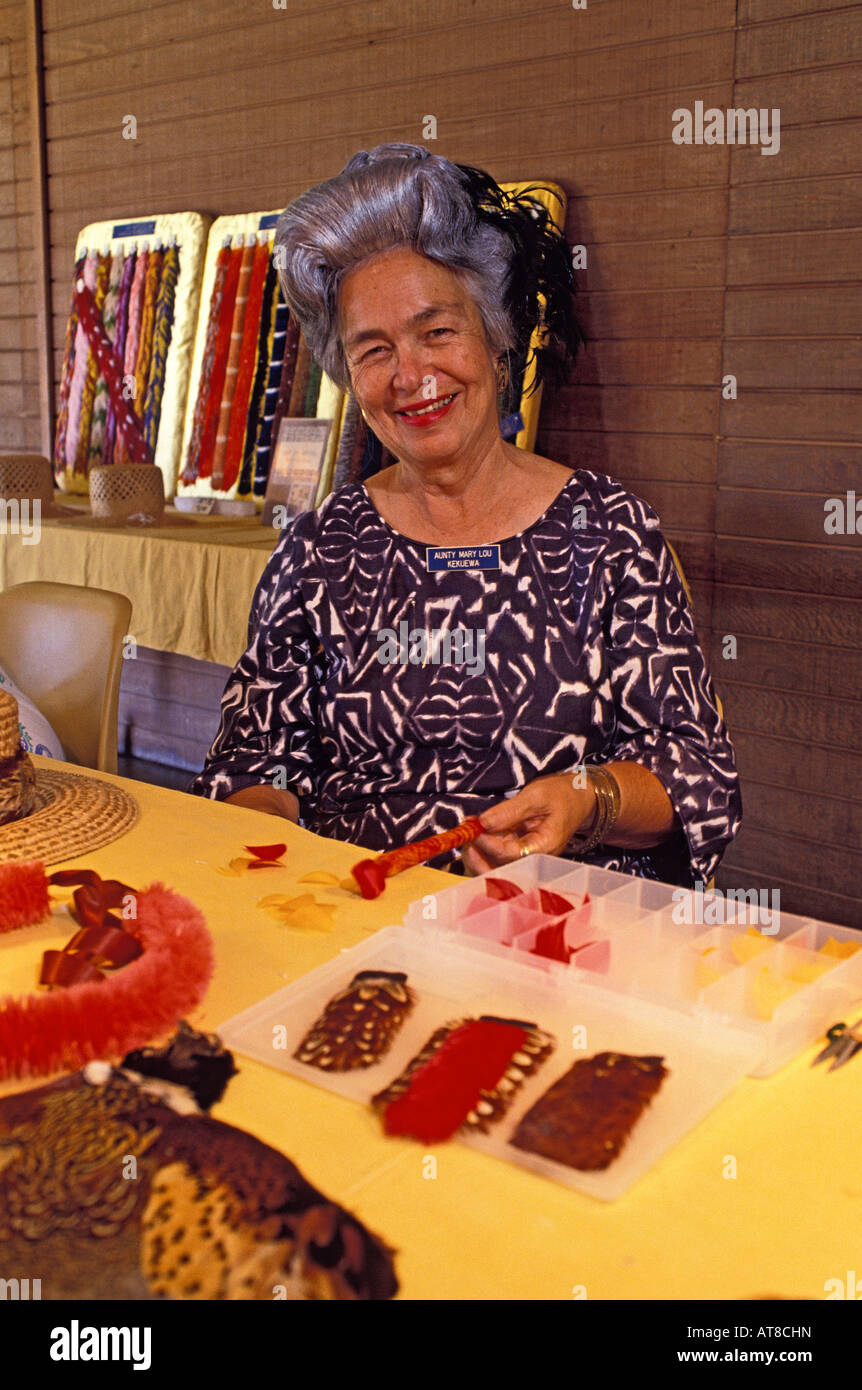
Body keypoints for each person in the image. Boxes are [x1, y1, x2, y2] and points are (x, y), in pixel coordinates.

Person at [190, 143, 741, 886]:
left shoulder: (610, 535)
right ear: (348, 375)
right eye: (374, 349)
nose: (410, 376)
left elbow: (696, 772)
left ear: (495, 338)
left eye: (437, 332)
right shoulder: (317, 551)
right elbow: (251, 763)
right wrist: (261, 851)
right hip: (354, 918)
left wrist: (587, 798)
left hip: (559, 926)